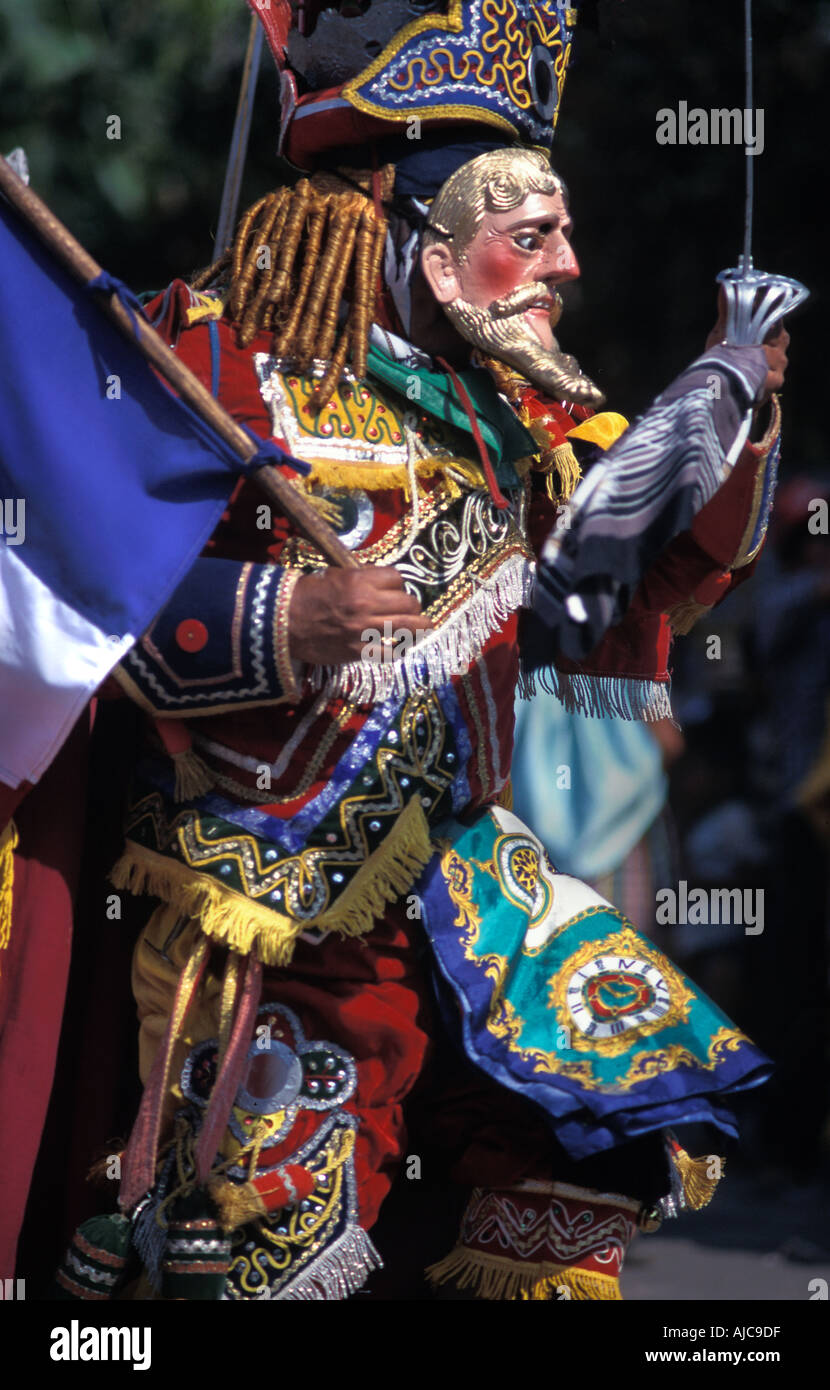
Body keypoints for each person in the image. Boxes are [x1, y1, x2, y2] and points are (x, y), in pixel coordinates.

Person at [49, 1, 789, 1301]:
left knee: (580, 1169)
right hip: (271, 906)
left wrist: (742, 411)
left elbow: (646, 584)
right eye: (532, 234)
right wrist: (286, 622)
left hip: (472, 897)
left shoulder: (512, 416)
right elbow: (86, 589)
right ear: (424, 239)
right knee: (261, 1255)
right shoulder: (221, 355)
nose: (568, 265)